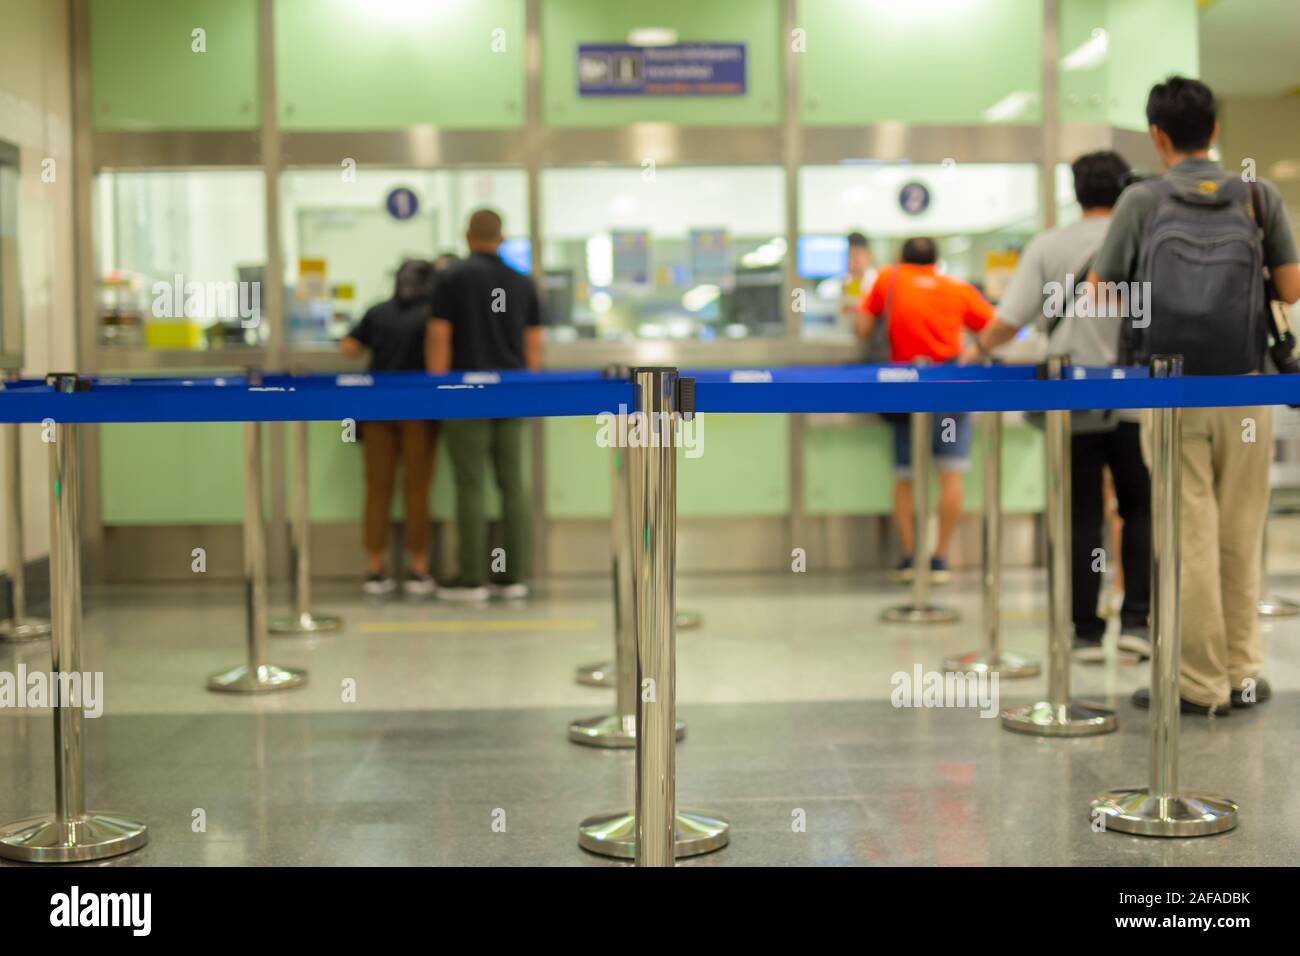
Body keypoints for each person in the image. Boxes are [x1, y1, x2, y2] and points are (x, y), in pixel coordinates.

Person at [1089, 76, 1300, 716]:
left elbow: (1103, 294)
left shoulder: (1142, 200)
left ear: (1158, 136)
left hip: (1171, 389)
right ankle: (1242, 670)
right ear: (1213, 130)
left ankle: (1198, 683)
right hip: (1246, 388)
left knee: (1190, 534)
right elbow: (1289, 291)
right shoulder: (1260, 197)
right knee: (1241, 530)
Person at [962, 151, 1153, 664]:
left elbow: (1011, 318)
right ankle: (1139, 622)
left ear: (1075, 191)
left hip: (1071, 399)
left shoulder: (1050, 245)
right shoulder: (1144, 237)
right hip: (1138, 399)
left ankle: (1085, 631)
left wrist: (977, 350)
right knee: (1140, 510)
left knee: (1081, 516)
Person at [859, 237, 995, 582]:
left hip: (904, 389)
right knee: (950, 473)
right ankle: (940, 559)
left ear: (901, 257)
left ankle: (909, 557)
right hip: (951, 387)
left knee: (905, 475)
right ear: (936, 259)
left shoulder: (887, 279)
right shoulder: (957, 287)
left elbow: (863, 328)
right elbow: (995, 327)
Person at [428, 209, 543, 602]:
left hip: (464, 391)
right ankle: (513, 576)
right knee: (512, 482)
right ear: (502, 236)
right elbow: (533, 347)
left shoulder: (451, 278)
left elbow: (440, 336)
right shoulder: (523, 282)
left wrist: (437, 388)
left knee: (470, 483)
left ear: (467, 235)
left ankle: (473, 577)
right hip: (512, 391)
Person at [341, 258, 438, 597]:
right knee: (417, 488)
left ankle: (375, 568)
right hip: (419, 411)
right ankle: (418, 568)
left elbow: (349, 347)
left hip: (376, 409)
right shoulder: (434, 316)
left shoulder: (377, 311)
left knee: (377, 488)